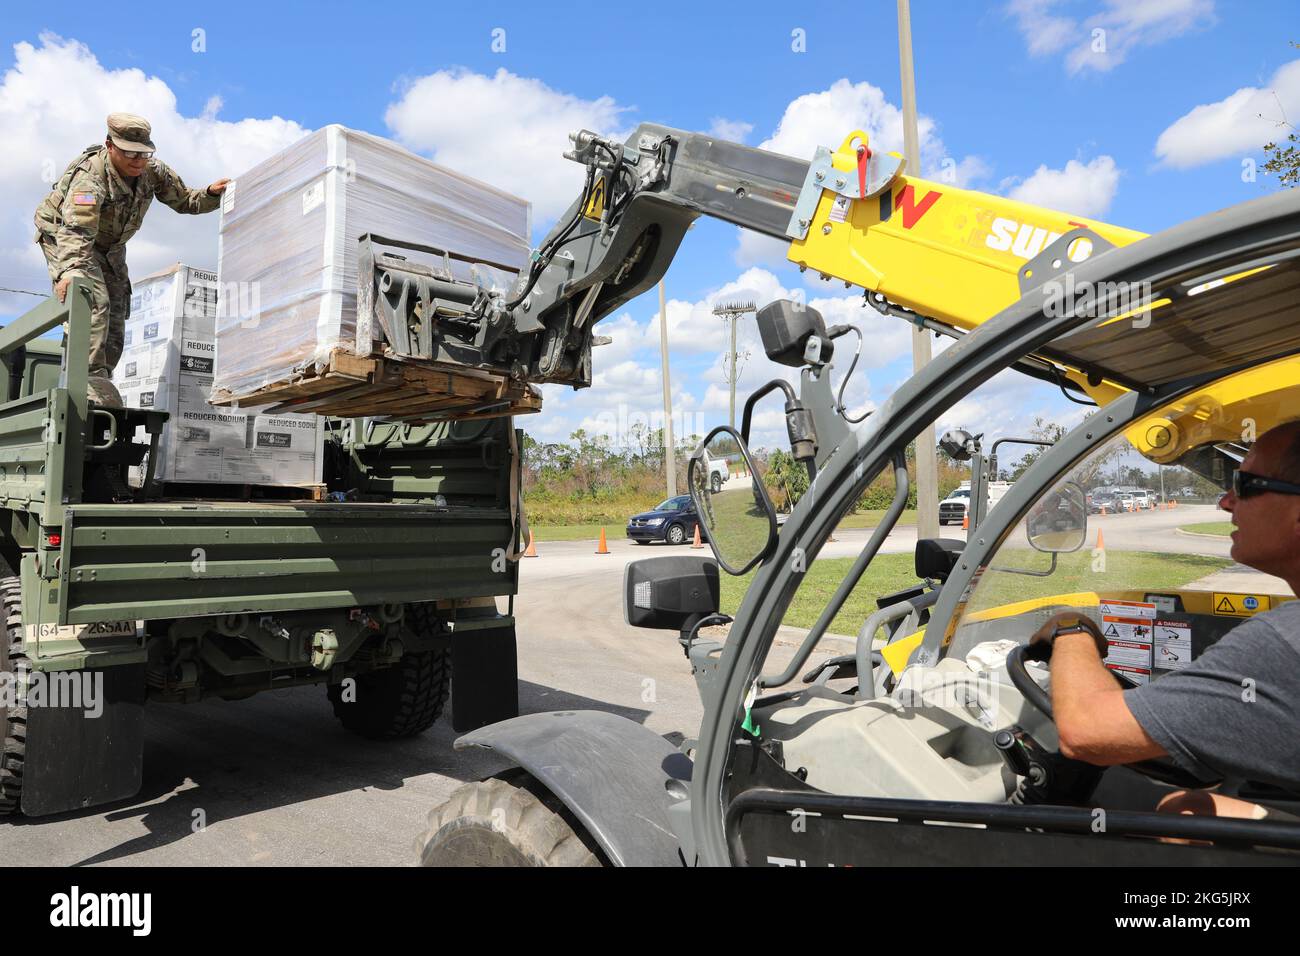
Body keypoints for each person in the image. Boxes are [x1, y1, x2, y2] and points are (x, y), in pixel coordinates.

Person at [1028, 420, 1300, 821]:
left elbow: (1084, 730)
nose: (1226, 502)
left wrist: (1072, 628)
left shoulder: (1279, 644)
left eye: (1244, 485)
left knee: (1181, 814)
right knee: (1190, 810)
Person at [33, 113, 230, 407]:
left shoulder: (153, 171)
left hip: (110, 245)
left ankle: (100, 379)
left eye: (143, 153)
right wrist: (70, 271)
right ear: (109, 145)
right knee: (91, 299)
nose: (138, 160)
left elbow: (186, 200)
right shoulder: (90, 178)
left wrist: (211, 194)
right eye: (129, 153)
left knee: (116, 308)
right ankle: (84, 382)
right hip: (65, 235)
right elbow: (76, 231)